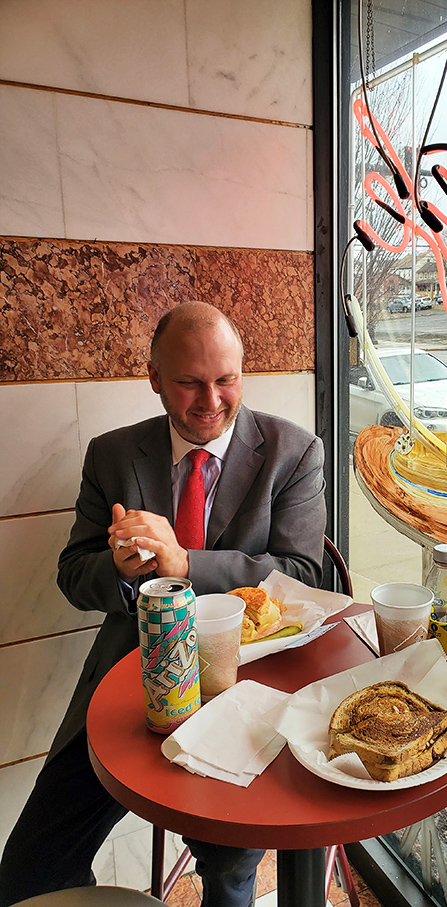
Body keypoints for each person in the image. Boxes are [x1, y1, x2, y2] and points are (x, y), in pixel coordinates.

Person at [0, 302, 327, 907]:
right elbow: (73, 576)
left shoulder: (294, 452)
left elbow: (305, 575)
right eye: (189, 382)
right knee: (27, 871)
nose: (211, 401)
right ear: (153, 378)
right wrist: (121, 572)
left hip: (245, 696)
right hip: (126, 686)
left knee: (228, 869)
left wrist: (184, 565)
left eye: (226, 379)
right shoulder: (111, 454)